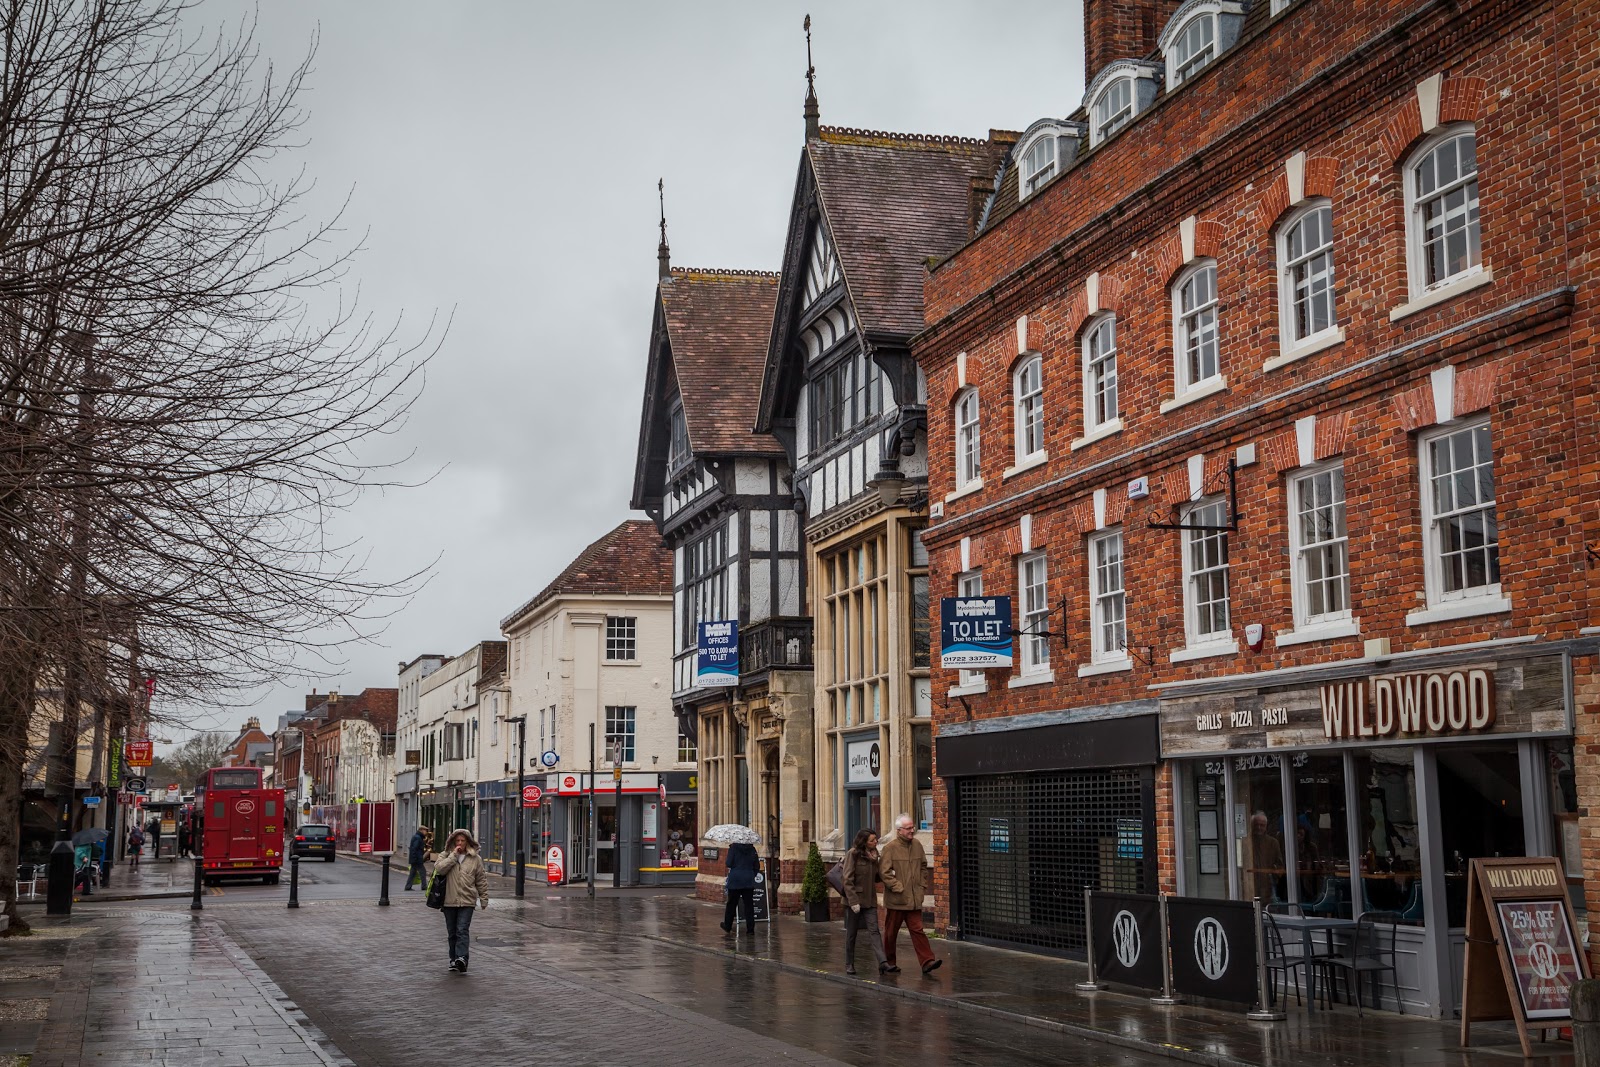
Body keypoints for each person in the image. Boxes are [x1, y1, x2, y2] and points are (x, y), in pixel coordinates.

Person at [880, 813, 940, 975]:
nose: (912, 830)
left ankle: (927, 961)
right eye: (908, 828)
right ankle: (889, 962)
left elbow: (923, 866)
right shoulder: (890, 848)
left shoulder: (918, 845)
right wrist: (897, 887)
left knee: (918, 930)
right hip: (897, 900)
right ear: (899, 830)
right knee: (891, 933)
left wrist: (922, 886)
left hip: (914, 899)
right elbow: (884, 873)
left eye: (912, 827)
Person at [431, 828, 489, 973]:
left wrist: (484, 898)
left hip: (467, 901)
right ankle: (453, 959)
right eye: (457, 840)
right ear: (452, 842)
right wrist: (453, 856)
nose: (460, 843)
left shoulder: (475, 858)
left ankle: (462, 958)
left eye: (463, 841)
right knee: (452, 932)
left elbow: (481, 879)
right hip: (449, 900)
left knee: (462, 930)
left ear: (468, 842)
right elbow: (439, 869)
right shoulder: (445, 855)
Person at [841, 828, 890, 976]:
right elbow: (847, 879)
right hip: (854, 901)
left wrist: (887, 874)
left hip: (870, 900)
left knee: (874, 931)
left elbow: (875, 878)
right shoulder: (853, 854)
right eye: (872, 840)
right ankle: (849, 963)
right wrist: (853, 901)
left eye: (876, 839)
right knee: (852, 934)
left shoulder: (875, 856)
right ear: (864, 842)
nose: (876, 842)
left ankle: (883, 962)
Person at [1243, 811, 1285, 904]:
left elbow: (1280, 865)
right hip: (1249, 884)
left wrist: (1273, 875)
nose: (1259, 828)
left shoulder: (1273, 843)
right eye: (1256, 824)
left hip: (1267, 887)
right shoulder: (1246, 842)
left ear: (1266, 826)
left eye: (1262, 825)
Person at [720, 840, 760, 934]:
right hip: (748, 879)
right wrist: (751, 875)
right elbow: (757, 866)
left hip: (735, 879)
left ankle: (727, 925)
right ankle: (750, 929)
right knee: (749, 905)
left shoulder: (733, 848)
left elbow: (728, 863)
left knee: (732, 903)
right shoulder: (752, 849)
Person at [404, 825, 428, 890]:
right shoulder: (418, 838)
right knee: (423, 872)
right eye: (425, 830)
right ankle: (424, 886)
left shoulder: (417, 837)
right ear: (421, 830)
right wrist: (416, 859)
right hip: (417, 859)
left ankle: (408, 886)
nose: (426, 832)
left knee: (413, 873)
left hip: (415, 859)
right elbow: (414, 849)